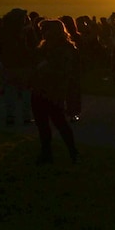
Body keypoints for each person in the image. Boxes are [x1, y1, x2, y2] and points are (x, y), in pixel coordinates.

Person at [30, 19, 81, 165]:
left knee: (59, 123)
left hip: (53, 91)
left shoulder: (64, 49)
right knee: (44, 124)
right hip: (41, 89)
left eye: (45, 30)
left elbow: (63, 71)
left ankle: (72, 152)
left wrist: (44, 68)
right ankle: (47, 153)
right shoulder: (47, 47)